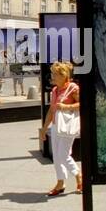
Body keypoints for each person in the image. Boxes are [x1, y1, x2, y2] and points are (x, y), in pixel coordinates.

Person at [42, 60, 84, 197]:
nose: (52, 77)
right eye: (52, 73)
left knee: (63, 155)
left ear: (63, 75)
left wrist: (67, 107)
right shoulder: (55, 90)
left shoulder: (73, 88)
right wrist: (44, 129)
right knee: (57, 156)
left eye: (54, 74)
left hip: (67, 126)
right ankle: (60, 183)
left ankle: (78, 175)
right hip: (56, 126)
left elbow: (82, 104)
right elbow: (51, 111)